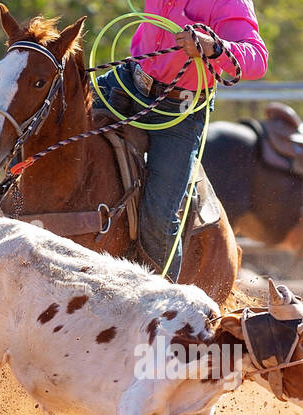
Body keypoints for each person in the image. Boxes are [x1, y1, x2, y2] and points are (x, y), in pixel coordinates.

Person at [94, 0, 267, 281]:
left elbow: (257, 60)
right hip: (129, 81)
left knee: (159, 219)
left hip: (178, 113)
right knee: (55, 107)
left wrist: (214, 46)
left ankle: (161, 304)